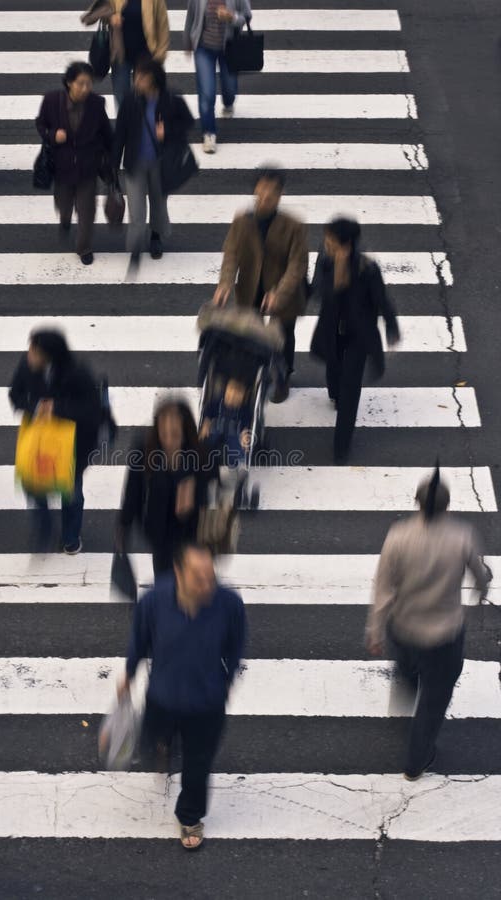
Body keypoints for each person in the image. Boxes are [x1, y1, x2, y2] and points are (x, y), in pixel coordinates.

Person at [118, 541, 246, 849]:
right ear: (178, 572)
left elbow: (236, 643)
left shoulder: (228, 604)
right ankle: (162, 745)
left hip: (206, 702)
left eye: (210, 576)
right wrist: (129, 673)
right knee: (153, 739)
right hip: (163, 696)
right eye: (198, 576)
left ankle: (190, 816)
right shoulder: (154, 601)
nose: (206, 584)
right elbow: (140, 639)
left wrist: (227, 679)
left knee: (198, 765)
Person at [366, 467, 492, 781]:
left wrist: (375, 629)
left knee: (407, 666)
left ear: (417, 503)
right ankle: (415, 762)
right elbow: (479, 573)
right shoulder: (462, 536)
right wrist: (482, 587)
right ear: (447, 506)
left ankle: (406, 693)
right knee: (434, 700)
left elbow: (383, 587)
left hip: (404, 625)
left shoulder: (398, 536)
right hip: (443, 633)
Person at [213, 167, 309, 403]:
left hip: (283, 295)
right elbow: (231, 255)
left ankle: (282, 376)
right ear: (255, 188)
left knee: (283, 337)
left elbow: (297, 265)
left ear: (280, 194)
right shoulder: (242, 221)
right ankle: (250, 376)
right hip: (250, 288)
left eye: (272, 190)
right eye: (263, 187)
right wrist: (225, 283)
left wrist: (279, 293)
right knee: (249, 335)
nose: (266, 194)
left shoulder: (294, 226)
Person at [310, 217, 401, 463]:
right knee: (334, 371)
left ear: (346, 244)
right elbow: (318, 291)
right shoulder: (325, 260)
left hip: (358, 338)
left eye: (330, 240)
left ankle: (341, 447)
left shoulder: (367, 269)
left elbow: (382, 300)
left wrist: (392, 327)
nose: (325, 243)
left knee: (351, 391)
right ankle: (335, 395)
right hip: (331, 331)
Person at [9, 329, 105, 554]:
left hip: (74, 444)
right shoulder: (26, 366)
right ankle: (44, 528)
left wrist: (57, 409)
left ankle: (70, 537)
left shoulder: (77, 373)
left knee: (70, 490)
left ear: (49, 355)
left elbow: (92, 410)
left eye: (35, 351)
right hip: (40, 440)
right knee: (32, 484)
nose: (29, 355)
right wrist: (35, 407)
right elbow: (15, 395)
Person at [116, 397, 217, 577]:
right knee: (164, 579)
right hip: (158, 530)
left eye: (175, 434)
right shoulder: (144, 450)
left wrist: (192, 495)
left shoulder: (202, 454)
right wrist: (124, 525)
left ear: (185, 431)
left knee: (191, 580)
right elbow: (133, 490)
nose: (169, 440)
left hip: (192, 530)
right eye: (164, 433)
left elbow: (214, 489)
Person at [112, 57, 194, 267]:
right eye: (136, 75)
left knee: (158, 204)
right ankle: (136, 247)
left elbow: (187, 123)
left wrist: (167, 132)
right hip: (134, 162)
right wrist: (112, 164)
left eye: (142, 76)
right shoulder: (130, 100)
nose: (136, 80)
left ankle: (156, 237)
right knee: (136, 209)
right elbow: (120, 133)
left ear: (154, 78)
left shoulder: (171, 100)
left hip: (160, 162)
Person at [35, 61, 113, 265]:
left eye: (89, 84)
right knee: (64, 202)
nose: (86, 88)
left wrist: (111, 158)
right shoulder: (52, 101)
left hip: (88, 167)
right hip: (62, 167)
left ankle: (84, 247)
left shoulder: (96, 104)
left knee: (87, 211)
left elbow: (106, 132)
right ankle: (65, 218)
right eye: (81, 83)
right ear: (69, 82)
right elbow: (40, 124)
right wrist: (52, 135)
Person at [183, 0, 252, 153]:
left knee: (229, 88)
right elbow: (191, 16)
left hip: (230, 47)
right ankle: (209, 133)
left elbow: (247, 15)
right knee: (206, 93)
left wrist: (232, 17)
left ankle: (228, 102)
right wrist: (187, 41)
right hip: (203, 48)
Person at [81, 0, 169, 110]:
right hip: (121, 55)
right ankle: (125, 125)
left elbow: (162, 24)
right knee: (121, 96)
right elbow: (92, 15)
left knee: (147, 96)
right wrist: (110, 17)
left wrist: (160, 55)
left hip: (146, 55)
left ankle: (146, 124)